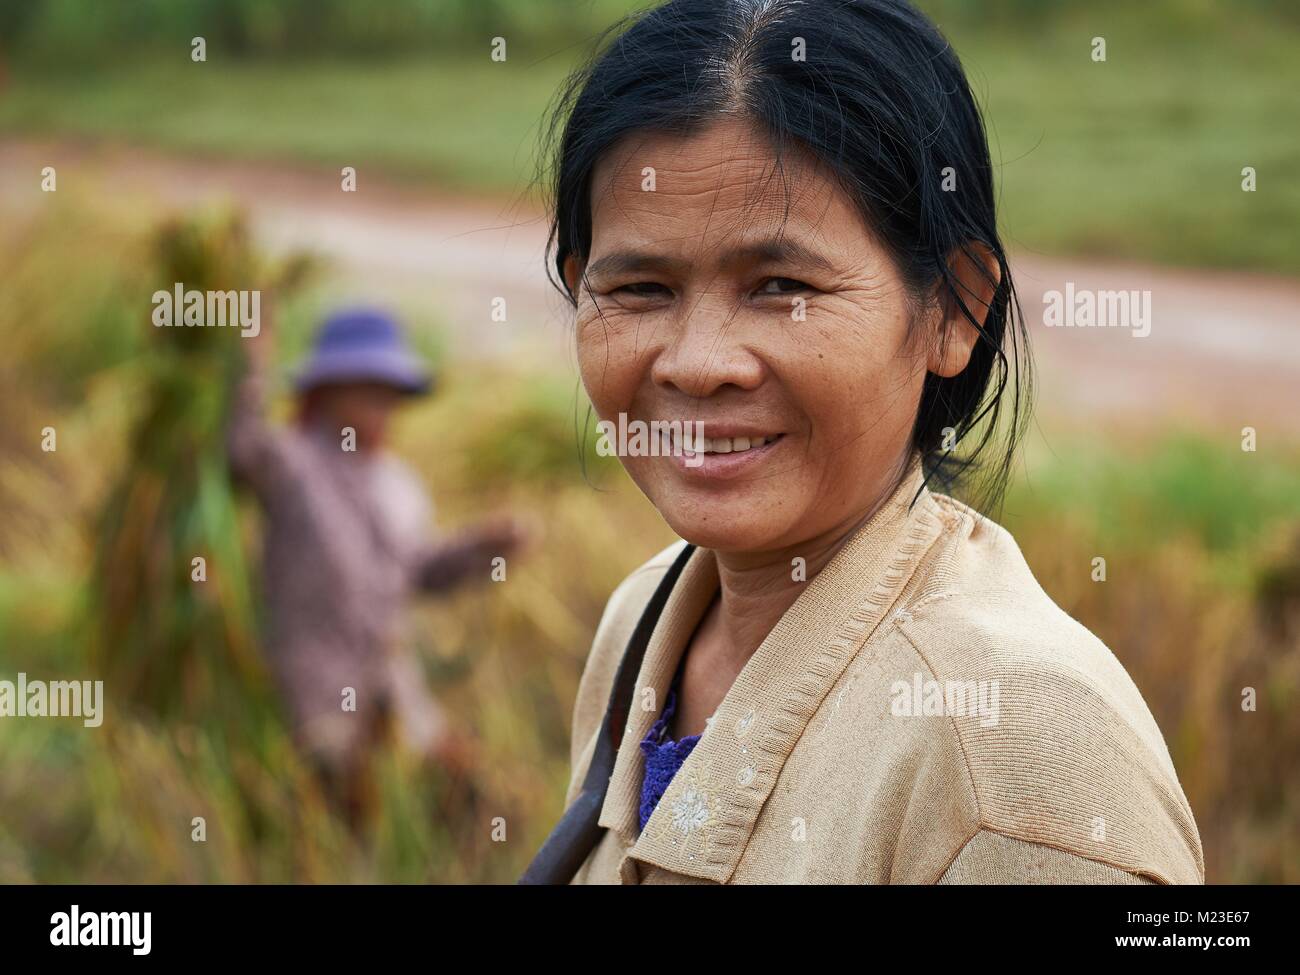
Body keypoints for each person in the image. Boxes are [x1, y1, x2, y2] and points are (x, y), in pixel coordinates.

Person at [525, 0, 1203, 884]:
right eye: (641, 289)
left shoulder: (1011, 749)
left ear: (955, 308)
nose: (697, 364)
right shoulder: (644, 619)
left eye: (781, 286)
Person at [227, 307, 524, 825]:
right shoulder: (293, 463)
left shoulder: (398, 485)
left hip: (395, 698)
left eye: (388, 391)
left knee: (477, 803)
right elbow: (240, 450)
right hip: (313, 703)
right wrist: (251, 363)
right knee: (342, 820)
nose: (380, 404)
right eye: (365, 388)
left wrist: (484, 550)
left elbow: (419, 572)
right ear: (327, 391)